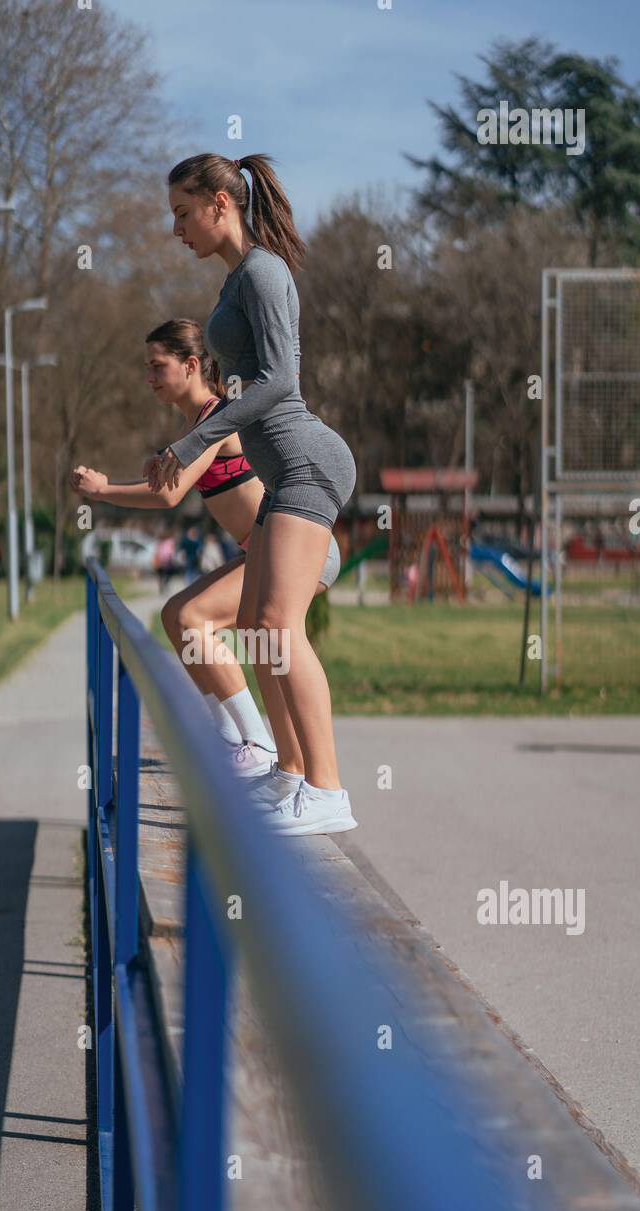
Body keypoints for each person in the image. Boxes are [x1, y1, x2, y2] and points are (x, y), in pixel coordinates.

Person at [148, 153, 358, 835]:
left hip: (304, 464)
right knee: (263, 634)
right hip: (285, 468)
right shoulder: (237, 280)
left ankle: (328, 790)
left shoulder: (263, 272)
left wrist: (190, 443)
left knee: (275, 626)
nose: (176, 228)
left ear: (219, 203)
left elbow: (274, 384)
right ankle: (290, 772)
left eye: (183, 212)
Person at [70, 318, 342, 785]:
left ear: (191, 365)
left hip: (301, 552)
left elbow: (168, 496)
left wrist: (103, 490)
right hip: (260, 554)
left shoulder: (218, 419)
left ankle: (256, 744)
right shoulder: (197, 425)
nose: (149, 378)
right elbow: (172, 479)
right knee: (178, 616)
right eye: (147, 368)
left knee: (200, 620)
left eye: (158, 367)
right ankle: (234, 739)